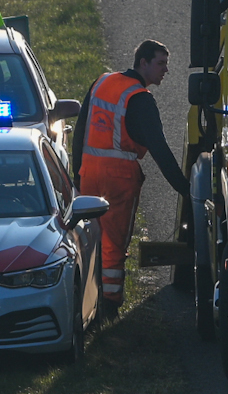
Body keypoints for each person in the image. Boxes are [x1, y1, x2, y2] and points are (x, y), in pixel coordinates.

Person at [69, 39, 188, 316]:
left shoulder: (102, 83)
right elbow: (159, 149)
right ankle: (109, 306)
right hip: (118, 179)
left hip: (89, 173)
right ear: (142, 63)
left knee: (88, 238)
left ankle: (86, 299)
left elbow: (81, 131)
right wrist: (186, 188)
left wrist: (77, 175)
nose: (166, 70)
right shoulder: (140, 99)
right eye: (160, 63)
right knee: (113, 244)